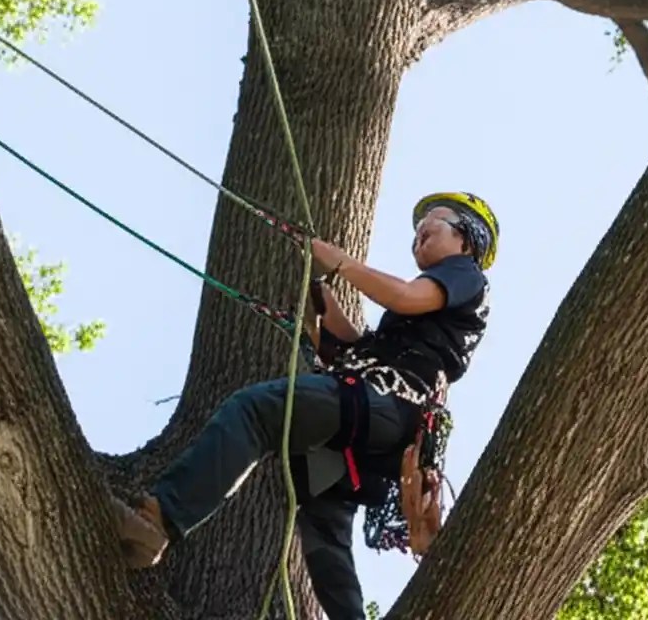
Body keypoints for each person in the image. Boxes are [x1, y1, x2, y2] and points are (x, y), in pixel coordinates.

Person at [113, 192, 498, 619]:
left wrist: (340, 263)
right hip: (379, 421)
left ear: (467, 237)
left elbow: (404, 297)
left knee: (256, 413)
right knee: (322, 527)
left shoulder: (466, 275)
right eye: (416, 227)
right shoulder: (421, 320)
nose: (419, 230)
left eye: (434, 221)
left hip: (386, 404)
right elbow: (355, 347)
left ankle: (159, 519)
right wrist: (317, 288)